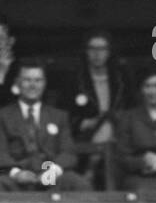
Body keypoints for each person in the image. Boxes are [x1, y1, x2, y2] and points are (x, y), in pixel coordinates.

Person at [0, 63, 90, 191]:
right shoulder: (3, 116)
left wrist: (53, 170)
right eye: (27, 80)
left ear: (44, 84)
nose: (33, 85)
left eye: (38, 80)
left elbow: (68, 153)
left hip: (51, 178)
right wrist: (16, 173)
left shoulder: (59, 116)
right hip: (14, 180)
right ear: (17, 83)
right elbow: (0, 153)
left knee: (79, 184)